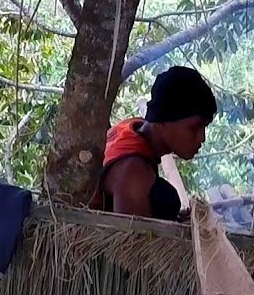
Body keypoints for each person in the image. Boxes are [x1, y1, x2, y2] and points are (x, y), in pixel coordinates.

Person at [89, 65, 216, 221]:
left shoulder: (131, 127)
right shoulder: (133, 172)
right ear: (163, 120)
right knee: (165, 198)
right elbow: (131, 243)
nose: (202, 138)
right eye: (194, 127)